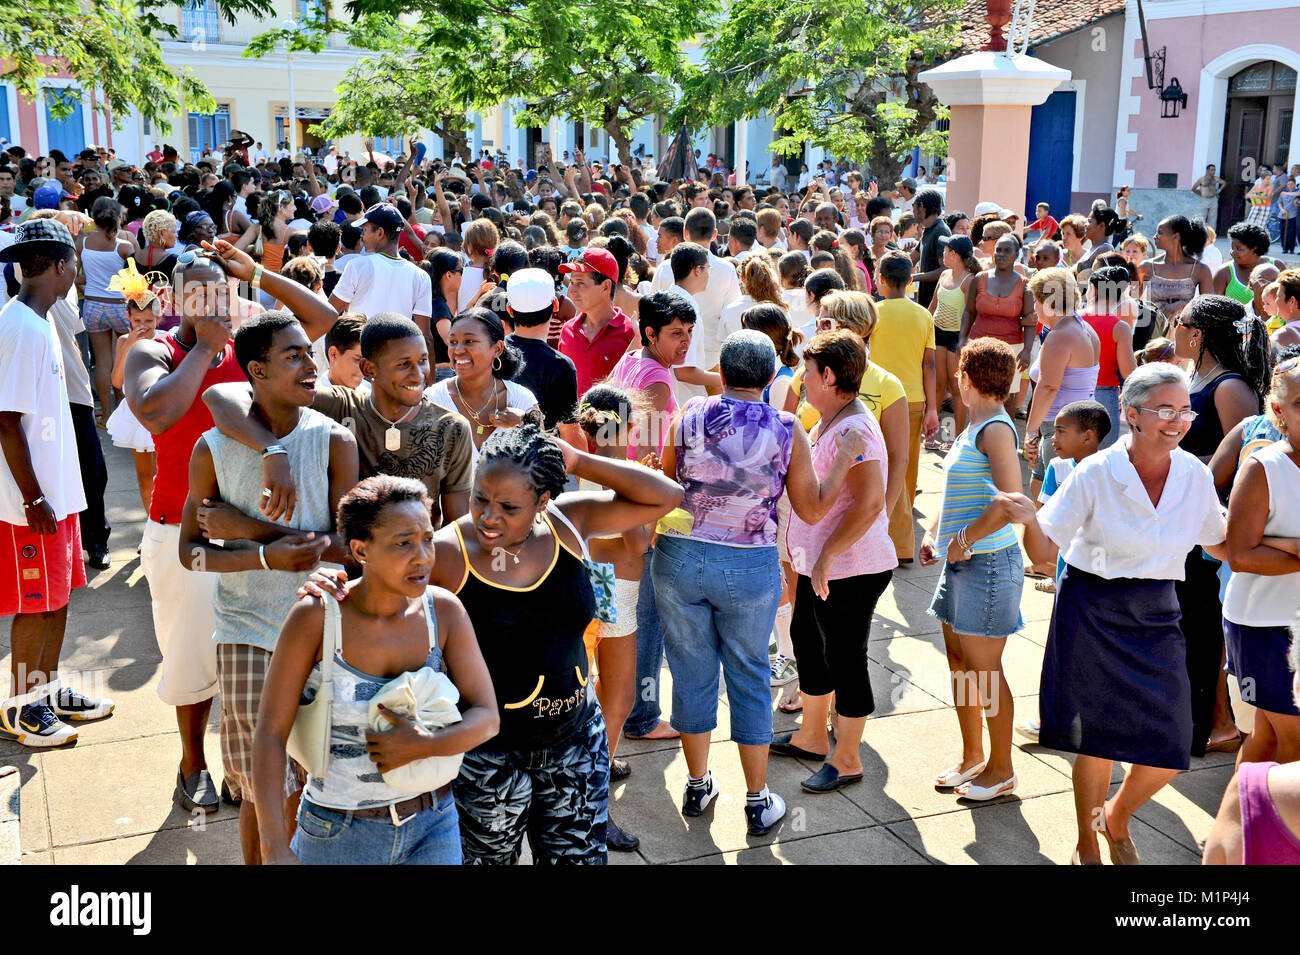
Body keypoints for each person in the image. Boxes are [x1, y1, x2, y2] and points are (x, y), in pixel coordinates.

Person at [1005, 362, 1229, 864]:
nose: (1178, 420)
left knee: (1173, 741)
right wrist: (1028, 519)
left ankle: (1115, 816)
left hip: (1157, 612)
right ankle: (1087, 840)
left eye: (1185, 410)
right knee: (1096, 736)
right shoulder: (1095, 471)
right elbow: (1044, 551)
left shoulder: (1192, 473)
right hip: (1093, 608)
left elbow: (1220, 543)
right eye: (1165, 410)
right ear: (1131, 413)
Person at [655, 330, 865, 834]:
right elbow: (813, 509)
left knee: (690, 671)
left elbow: (666, 482)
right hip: (748, 564)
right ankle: (757, 799)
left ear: (722, 374)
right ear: (773, 378)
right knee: (749, 674)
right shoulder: (787, 425)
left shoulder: (688, 414)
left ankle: (698, 782)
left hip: (680, 555)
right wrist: (844, 456)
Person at [179, 311, 359, 864]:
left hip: (321, 629)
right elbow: (191, 551)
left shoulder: (334, 440)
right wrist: (261, 556)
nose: (312, 365)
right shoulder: (212, 448)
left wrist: (259, 535)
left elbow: (351, 546)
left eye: (311, 352)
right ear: (256, 370)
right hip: (245, 635)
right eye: (295, 356)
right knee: (263, 785)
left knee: (313, 778)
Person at [253, 476, 498, 865]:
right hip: (336, 834)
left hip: (434, 825)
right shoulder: (317, 618)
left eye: (428, 539)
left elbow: (488, 718)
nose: (423, 556)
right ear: (360, 550)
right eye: (403, 542)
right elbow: (268, 735)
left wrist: (426, 744)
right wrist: (273, 846)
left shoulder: (444, 612)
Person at [768, 330, 893, 792]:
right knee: (808, 642)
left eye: (808, 369)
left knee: (845, 658)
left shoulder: (855, 428)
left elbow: (870, 503)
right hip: (819, 565)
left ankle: (847, 757)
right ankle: (812, 736)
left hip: (851, 569)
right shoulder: (831, 419)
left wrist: (827, 556)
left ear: (829, 375)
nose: (802, 377)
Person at [0, 219, 106, 748]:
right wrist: (33, 496)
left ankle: (47, 690)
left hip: (56, 493)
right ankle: (20, 709)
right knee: (36, 601)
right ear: (60, 265)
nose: (77, 273)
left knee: (59, 595)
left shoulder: (41, 320)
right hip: (31, 501)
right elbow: (4, 419)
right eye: (75, 264)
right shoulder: (18, 327)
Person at [920, 337, 1025, 802]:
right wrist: (935, 534)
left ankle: (1001, 770)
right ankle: (972, 757)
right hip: (963, 561)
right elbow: (960, 491)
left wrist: (961, 541)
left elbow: (1010, 502)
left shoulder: (996, 430)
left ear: (965, 377)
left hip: (987, 564)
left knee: (985, 672)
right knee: (961, 664)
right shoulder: (974, 424)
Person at [1222, 357, 1300, 764]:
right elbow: (1241, 555)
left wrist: (1287, 545)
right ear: (1278, 412)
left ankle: (1240, 827)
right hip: (1263, 626)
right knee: (1290, 743)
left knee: (1267, 739)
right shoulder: (1263, 468)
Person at [1203, 619, 1300, 865]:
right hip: (1269, 621)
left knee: (1267, 734)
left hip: (1275, 622)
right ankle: (1247, 840)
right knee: (1284, 742)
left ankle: (1241, 837)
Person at [871, 252, 938, 562]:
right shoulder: (924, 315)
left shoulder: (873, 313)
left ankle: (887, 540)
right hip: (913, 399)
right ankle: (901, 542)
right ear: (911, 280)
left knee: (881, 467)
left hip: (877, 398)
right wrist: (933, 408)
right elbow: (930, 366)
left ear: (880, 279)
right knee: (906, 468)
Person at [1023, 268, 1101, 496]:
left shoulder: (1060, 336)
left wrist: (1031, 431)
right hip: (1074, 425)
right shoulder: (1083, 329)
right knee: (1042, 489)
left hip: (1059, 428)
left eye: (1036, 300)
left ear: (1047, 302)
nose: (1034, 308)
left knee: (1056, 502)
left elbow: (1048, 386)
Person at [329, 203, 432, 337]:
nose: (362, 236)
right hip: (398, 354)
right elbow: (425, 335)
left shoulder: (357, 266)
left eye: (365, 230)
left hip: (361, 352)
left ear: (380, 233)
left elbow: (330, 312)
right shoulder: (421, 276)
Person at [960, 234, 1034, 414]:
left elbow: (1030, 320)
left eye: (1006, 251)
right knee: (977, 393)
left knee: (1007, 397)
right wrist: (962, 338)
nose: (1001, 254)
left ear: (1017, 254)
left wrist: (1026, 350)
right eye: (998, 250)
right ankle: (979, 435)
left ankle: (1006, 438)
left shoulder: (1025, 285)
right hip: (979, 346)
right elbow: (969, 311)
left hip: (1012, 350)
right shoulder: (979, 278)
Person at [504, 267, 578, 435]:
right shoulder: (561, 366)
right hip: (540, 457)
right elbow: (571, 435)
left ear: (510, 309)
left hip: (492, 456)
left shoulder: (493, 353)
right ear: (555, 305)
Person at [77, 198, 133, 419]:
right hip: (119, 307)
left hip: (93, 306)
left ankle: (107, 415)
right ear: (118, 218)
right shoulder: (124, 247)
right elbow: (135, 281)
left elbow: (73, 276)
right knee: (123, 359)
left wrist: (88, 283)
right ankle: (122, 409)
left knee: (101, 362)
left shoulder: (82, 243)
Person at [557, 246, 637, 395]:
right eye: (572, 282)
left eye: (580, 283)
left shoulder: (631, 334)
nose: (572, 291)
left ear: (606, 287)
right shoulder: (567, 330)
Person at [1080, 266, 1139, 449]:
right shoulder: (1120, 327)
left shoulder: (1074, 318)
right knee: (1102, 460)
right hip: (1105, 395)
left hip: (1072, 390)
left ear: (1095, 289)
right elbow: (1128, 371)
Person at [929, 235, 980, 442]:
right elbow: (933, 306)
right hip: (937, 333)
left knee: (957, 388)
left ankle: (955, 439)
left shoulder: (970, 280)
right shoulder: (944, 275)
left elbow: (972, 314)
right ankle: (933, 435)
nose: (942, 254)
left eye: (945, 250)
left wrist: (963, 340)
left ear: (954, 254)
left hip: (956, 338)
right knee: (938, 385)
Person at [1214, 223, 1274, 307]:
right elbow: (1213, 308)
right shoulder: (1224, 272)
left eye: (1238, 249)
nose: (1232, 252)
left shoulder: (1276, 267)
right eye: (1232, 248)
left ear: (1254, 248)